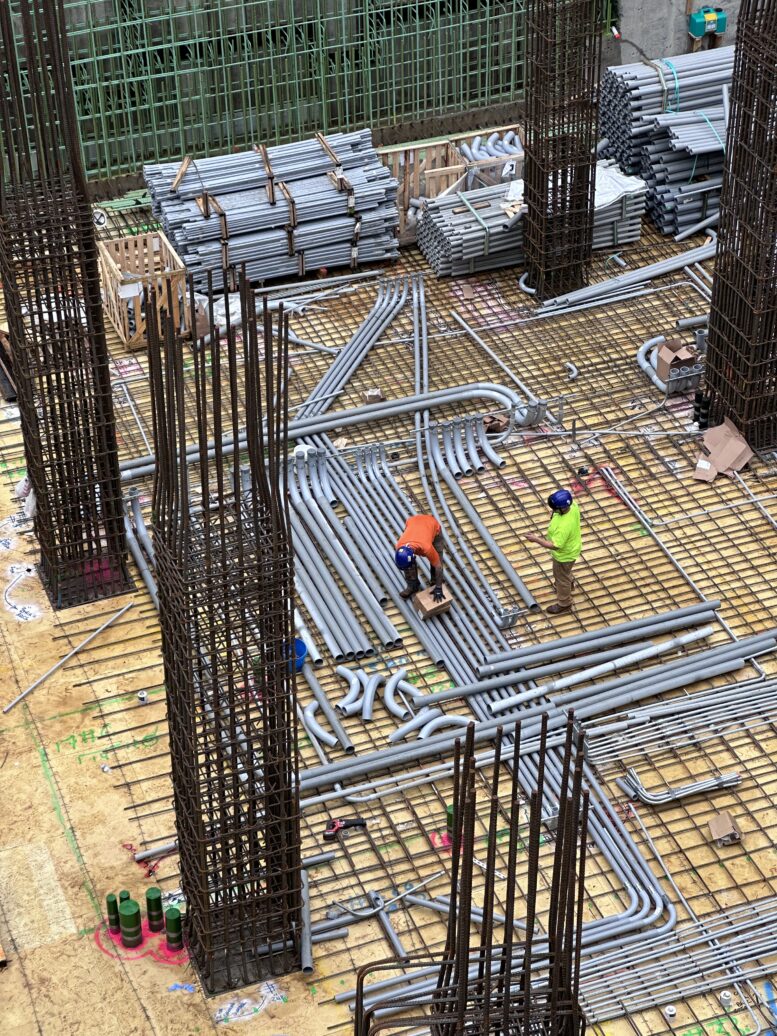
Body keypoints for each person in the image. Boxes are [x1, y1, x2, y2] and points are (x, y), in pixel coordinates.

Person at [525, 489, 581, 614]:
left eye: (555, 508)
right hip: (573, 547)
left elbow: (555, 546)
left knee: (561, 578)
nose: (553, 510)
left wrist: (536, 539)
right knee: (565, 573)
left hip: (564, 555)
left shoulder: (564, 526)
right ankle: (569, 582)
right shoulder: (573, 506)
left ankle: (564, 603)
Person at [395, 514, 445, 601]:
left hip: (432, 525)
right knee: (408, 565)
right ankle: (413, 586)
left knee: (436, 559)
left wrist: (438, 587)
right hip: (413, 521)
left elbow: (438, 566)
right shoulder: (399, 546)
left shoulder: (426, 547)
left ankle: (434, 582)